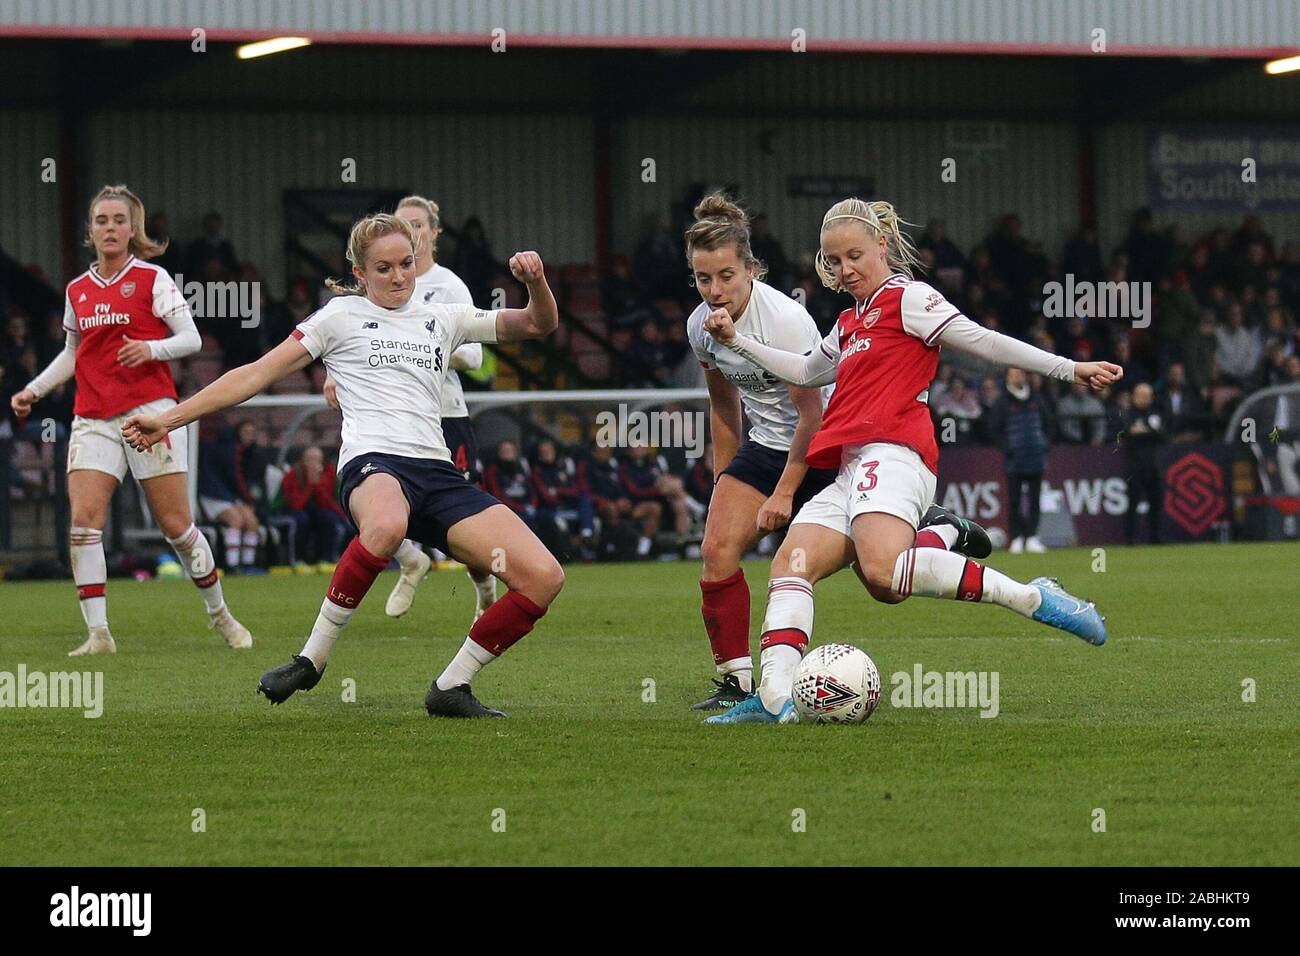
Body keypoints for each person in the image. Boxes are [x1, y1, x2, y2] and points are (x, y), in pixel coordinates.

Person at [699, 198, 1122, 724]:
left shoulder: (909, 297)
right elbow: (807, 372)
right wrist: (738, 340)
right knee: (798, 566)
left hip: (897, 453)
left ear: (881, 245)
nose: (845, 269)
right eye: (834, 261)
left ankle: (1033, 597)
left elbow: (981, 341)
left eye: (855, 255)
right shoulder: (851, 319)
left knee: (882, 568)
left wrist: (1068, 368)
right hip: (850, 465)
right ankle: (773, 699)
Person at [123, 213, 563, 717]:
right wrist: (170, 418)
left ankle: (451, 687)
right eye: (383, 268)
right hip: (374, 464)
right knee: (388, 524)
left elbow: (537, 323)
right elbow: (255, 374)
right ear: (359, 272)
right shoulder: (338, 318)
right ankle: (311, 658)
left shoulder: (445, 317)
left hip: (437, 474)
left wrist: (535, 283)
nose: (398, 277)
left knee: (543, 576)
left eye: (405, 265)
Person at [10, 184, 252, 655]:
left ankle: (220, 615)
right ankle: (99, 634)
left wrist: (151, 348)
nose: (110, 228)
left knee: (178, 527)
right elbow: (72, 354)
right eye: (102, 220)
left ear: (133, 229)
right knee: (83, 522)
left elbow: (191, 339)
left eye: (119, 220)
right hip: (93, 416)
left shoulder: (152, 278)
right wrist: (34, 390)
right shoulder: (77, 290)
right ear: (90, 230)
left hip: (150, 415)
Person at [325, 196, 498, 624]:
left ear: (435, 233)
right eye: (405, 224)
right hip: (386, 420)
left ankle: (484, 589)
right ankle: (411, 561)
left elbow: (475, 358)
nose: (413, 232)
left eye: (419, 225)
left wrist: (415, 344)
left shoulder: (447, 287)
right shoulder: (367, 297)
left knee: (461, 519)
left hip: (443, 415)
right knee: (366, 500)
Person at [986, 368, 1052, 553]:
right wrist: (1008, 447)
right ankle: (1016, 537)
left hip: (1036, 458)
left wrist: (1043, 444)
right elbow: (993, 429)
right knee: (1014, 500)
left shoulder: (1037, 398)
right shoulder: (1002, 402)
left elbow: (1048, 423)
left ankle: (1031, 537)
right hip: (1014, 460)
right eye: (1014, 375)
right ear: (1008, 378)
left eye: (1021, 374)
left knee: (1034, 500)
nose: (1018, 377)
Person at [198, 422, 264, 573]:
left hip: (230, 496)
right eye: (246, 432)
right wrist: (248, 500)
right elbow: (236, 477)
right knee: (236, 520)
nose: (250, 436)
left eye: (252, 432)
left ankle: (248, 564)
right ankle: (232, 566)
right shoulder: (232, 450)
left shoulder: (251, 453)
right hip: (213, 495)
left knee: (252, 521)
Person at [280, 445, 349, 563]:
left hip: (317, 511)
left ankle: (326, 559)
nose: (314, 463)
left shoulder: (328, 473)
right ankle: (297, 560)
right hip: (292, 511)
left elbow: (326, 502)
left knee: (328, 518)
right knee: (301, 520)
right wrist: (310, 484)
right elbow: (296, 505)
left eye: (317, 460)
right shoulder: (293, 475)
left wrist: (318, 484)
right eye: (310, 459)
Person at [1123, 383, 1166, 545]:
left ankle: (1155, 537)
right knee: (1132, 502)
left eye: (1148, 396)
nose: (1145, 399)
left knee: (1155, 503)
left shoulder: (1155, 414)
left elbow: (1162, 435)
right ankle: (1130, 538)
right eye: (1142, 395)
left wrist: (1142, 432)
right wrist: (1149, 432)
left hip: (1153, 466)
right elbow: (1128, 435)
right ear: (1134, 396)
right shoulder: (1128, 414)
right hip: (1134, 466)